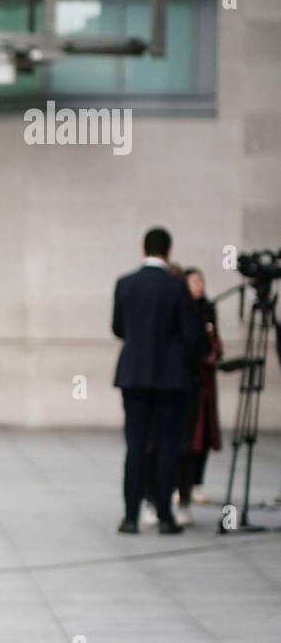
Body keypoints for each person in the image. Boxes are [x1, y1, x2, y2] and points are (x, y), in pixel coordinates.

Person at [111, 228, 208, 535]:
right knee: (167, 447)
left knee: (136, 446)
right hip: (170, 379)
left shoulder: (125, 284)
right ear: (168, 250)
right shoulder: (176, 286)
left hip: (134, 375)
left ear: (144, 248)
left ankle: (130, 516)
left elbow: (118, 328)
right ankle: (165, 515)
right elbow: (191, 335)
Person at [176, 267, 221, 520]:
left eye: (201, 281)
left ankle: (195, 484)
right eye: (193, 281)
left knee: (203, 436)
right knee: (186, 437)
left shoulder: (207, 309)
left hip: (203, 381)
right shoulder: (183, 310)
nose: (199, 286)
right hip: (187, 379)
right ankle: (180, 486)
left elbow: (214, 342)